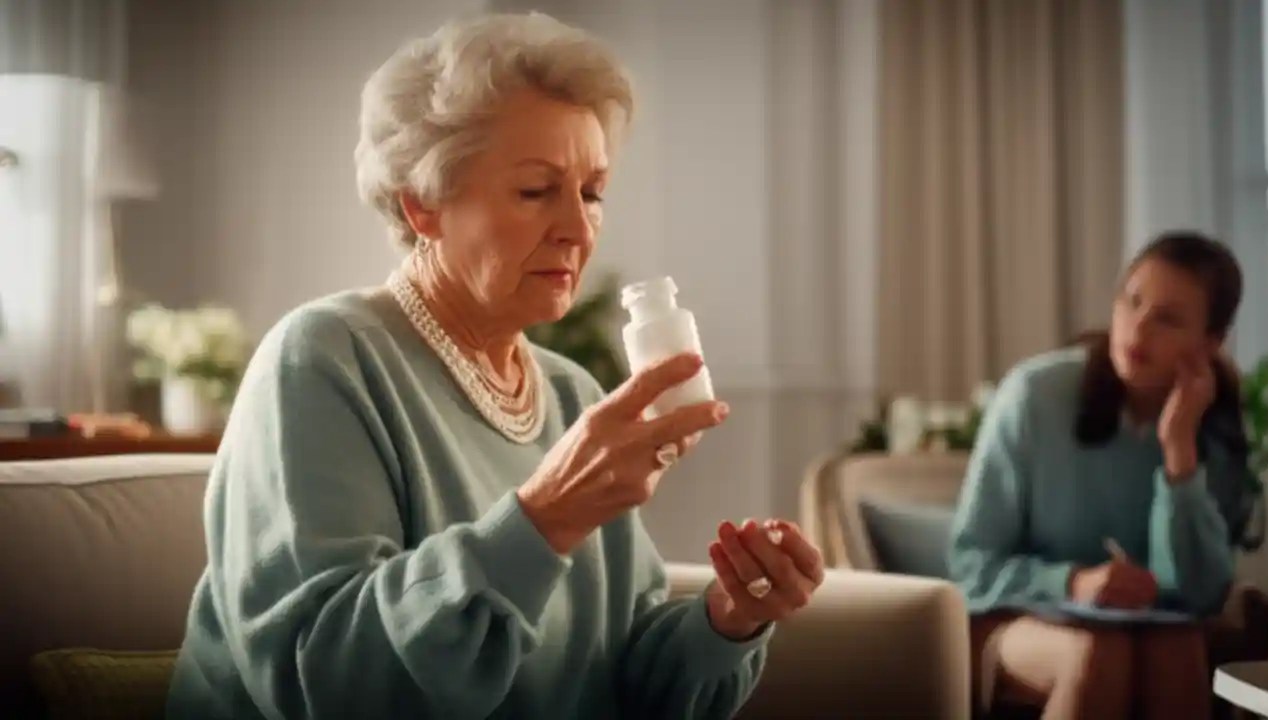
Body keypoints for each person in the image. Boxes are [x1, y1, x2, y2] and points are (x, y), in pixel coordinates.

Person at [166, 12, 826, 719]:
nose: (578, 228)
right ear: (423, 204)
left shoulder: (571, 392)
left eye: (593, 191)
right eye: (537, 191)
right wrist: (544, 518)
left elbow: (620, 679)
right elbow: (324, 684)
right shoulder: (324, 360)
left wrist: (729, 616)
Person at [948, 231, 1259, 719]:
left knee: (1176, 649)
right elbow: (970, 564)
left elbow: (1199, 596)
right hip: (1010, 621)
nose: (1137, 330)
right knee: (1098, 654)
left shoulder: (1213, 427)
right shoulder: (1035, 395)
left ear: (1211, 342)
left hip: (1152, 633)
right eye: (1132, 302)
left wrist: (1178, 451)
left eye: (1168, 319)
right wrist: (1071, 583)